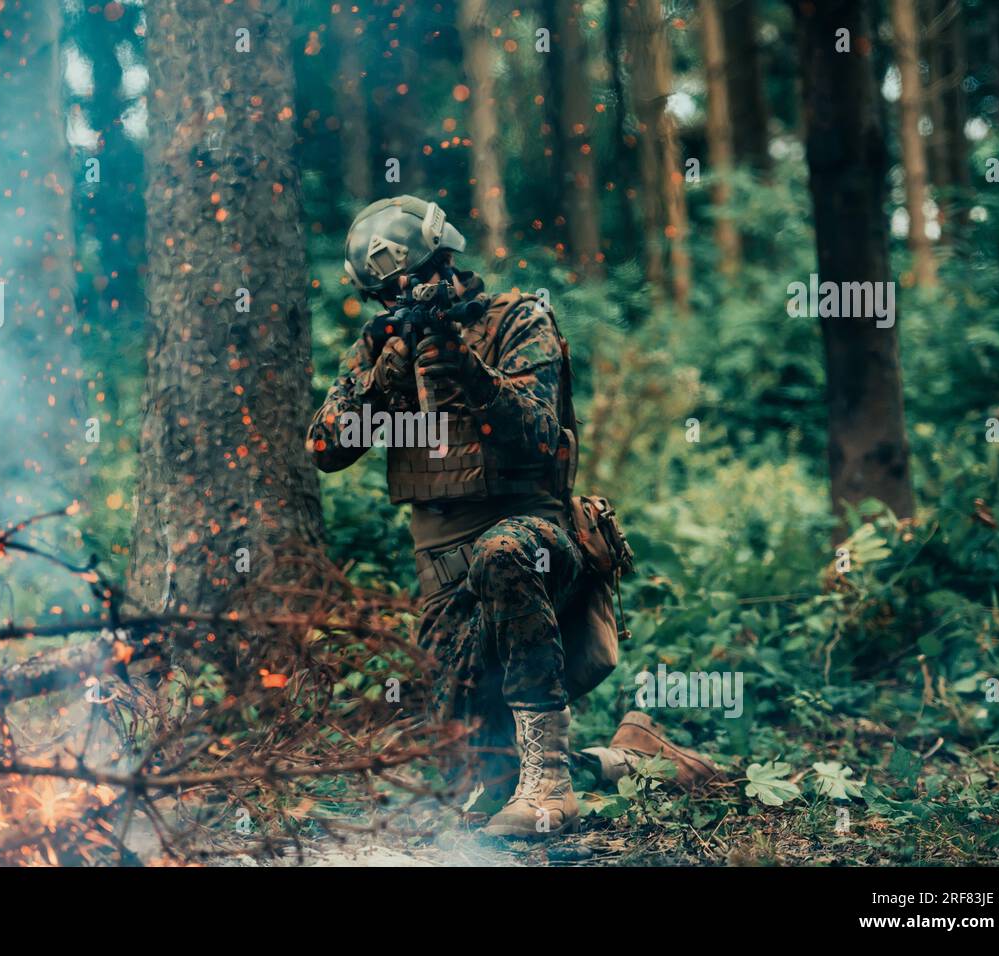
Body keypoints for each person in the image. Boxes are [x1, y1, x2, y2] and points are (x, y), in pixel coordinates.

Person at [307, 195, 720, 838]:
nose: (408, 297)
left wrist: (471, 376)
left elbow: (536, 431)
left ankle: (550, 789)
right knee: (465, 775)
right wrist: (378, 388)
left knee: (504, 553)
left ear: (447, 261)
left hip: (536, 544)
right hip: (446, 585)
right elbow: (326, 449)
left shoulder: (519, 320)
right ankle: (629, 759)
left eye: (418, 279)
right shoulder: (379, 344)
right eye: (391, 293)